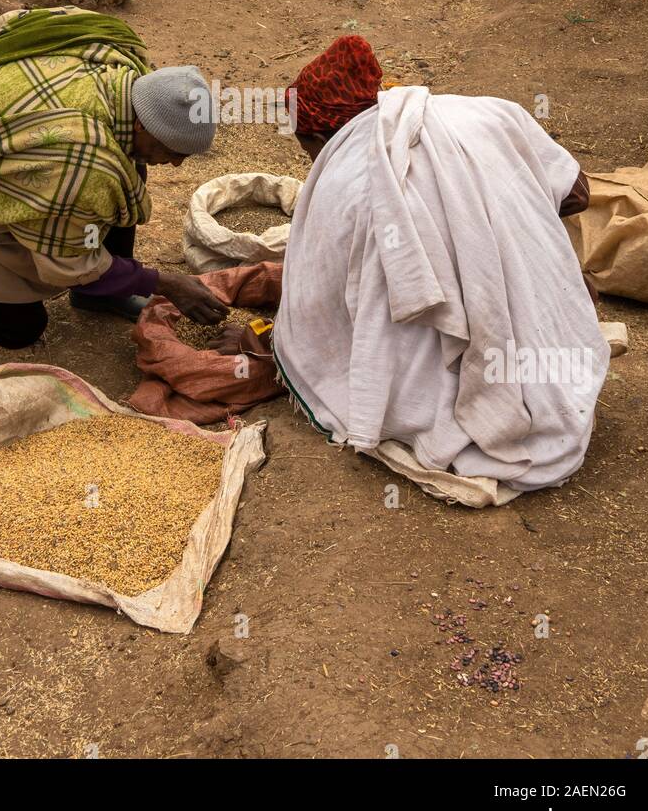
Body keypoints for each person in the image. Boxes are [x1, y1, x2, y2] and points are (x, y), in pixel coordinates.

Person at [213, 36, 608, 495]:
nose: (309, 158)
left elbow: (322, 311)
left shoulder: (342, 179)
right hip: (549, 347)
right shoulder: (487, 111)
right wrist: (523, 248)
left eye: (305, 145)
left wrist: (264, 339)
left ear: (319, 134)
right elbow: (577, 191)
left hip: (456, 351)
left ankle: (464, 401)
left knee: (386, 321)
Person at [0, 6, 229, 348]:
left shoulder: (118, 62)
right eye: (173, 153)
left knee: (127, 174)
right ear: (141, 123)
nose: (177, 166)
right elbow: (68, 262)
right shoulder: (85, 161)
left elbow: (12, 22)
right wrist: (164, 283)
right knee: (20, 330)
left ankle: (99, 294)